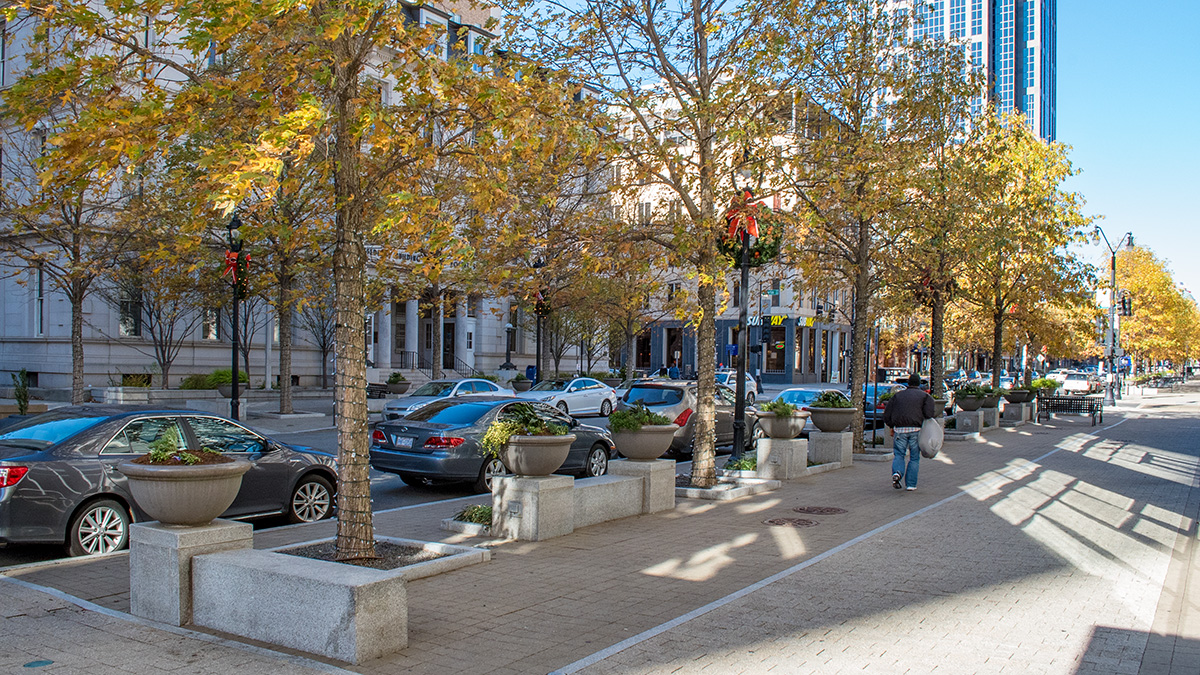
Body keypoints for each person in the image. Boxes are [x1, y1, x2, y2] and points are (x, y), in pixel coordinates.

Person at [882, 373, 936, 491]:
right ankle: (911, 484)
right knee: (914, 458)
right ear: (919, 383)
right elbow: (929, 414)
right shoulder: (924, 397)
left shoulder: (898, 396)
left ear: (908, 383)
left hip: (899, 430)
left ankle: (897, 473)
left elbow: (887, 414)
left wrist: (891, 425)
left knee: (899, 454)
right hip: (916, 430)